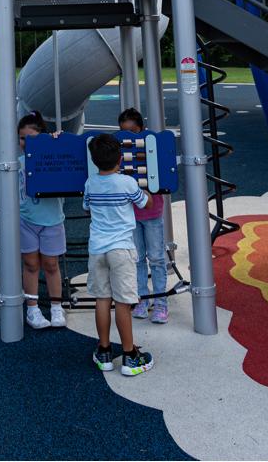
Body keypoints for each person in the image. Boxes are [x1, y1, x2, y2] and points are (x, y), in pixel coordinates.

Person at [83, 133, 153, 376]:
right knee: (123, 303)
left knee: (102, 299)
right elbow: (146, 203)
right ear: (120, 160)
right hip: (121, 249)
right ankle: (130, 355)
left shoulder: (90, 183)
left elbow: (87, 207)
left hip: (97, 249)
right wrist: (148, 192)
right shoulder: (127, 183)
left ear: (94, 160)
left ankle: (104, 351)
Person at [117, 107, 170, 324]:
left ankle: (161, 303)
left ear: (142, 129)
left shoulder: (152, 148)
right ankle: (142, 299)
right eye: (124, 132)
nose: (129, 136)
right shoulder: (120, 154)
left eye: (133, 131)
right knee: (137, 258)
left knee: (156, 258)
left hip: (152, 212)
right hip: (131, 214)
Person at [16, 112, 67, 329]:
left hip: (52, 220)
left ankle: (56, 306)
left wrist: (57, 143)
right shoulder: (17, 164)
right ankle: (32, 308)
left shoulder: (53, 158)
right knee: (30, 264)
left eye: (33, 139)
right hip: (26, 220)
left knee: (51, 264)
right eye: (22, 138)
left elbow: (70, 157)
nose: (26, 143)